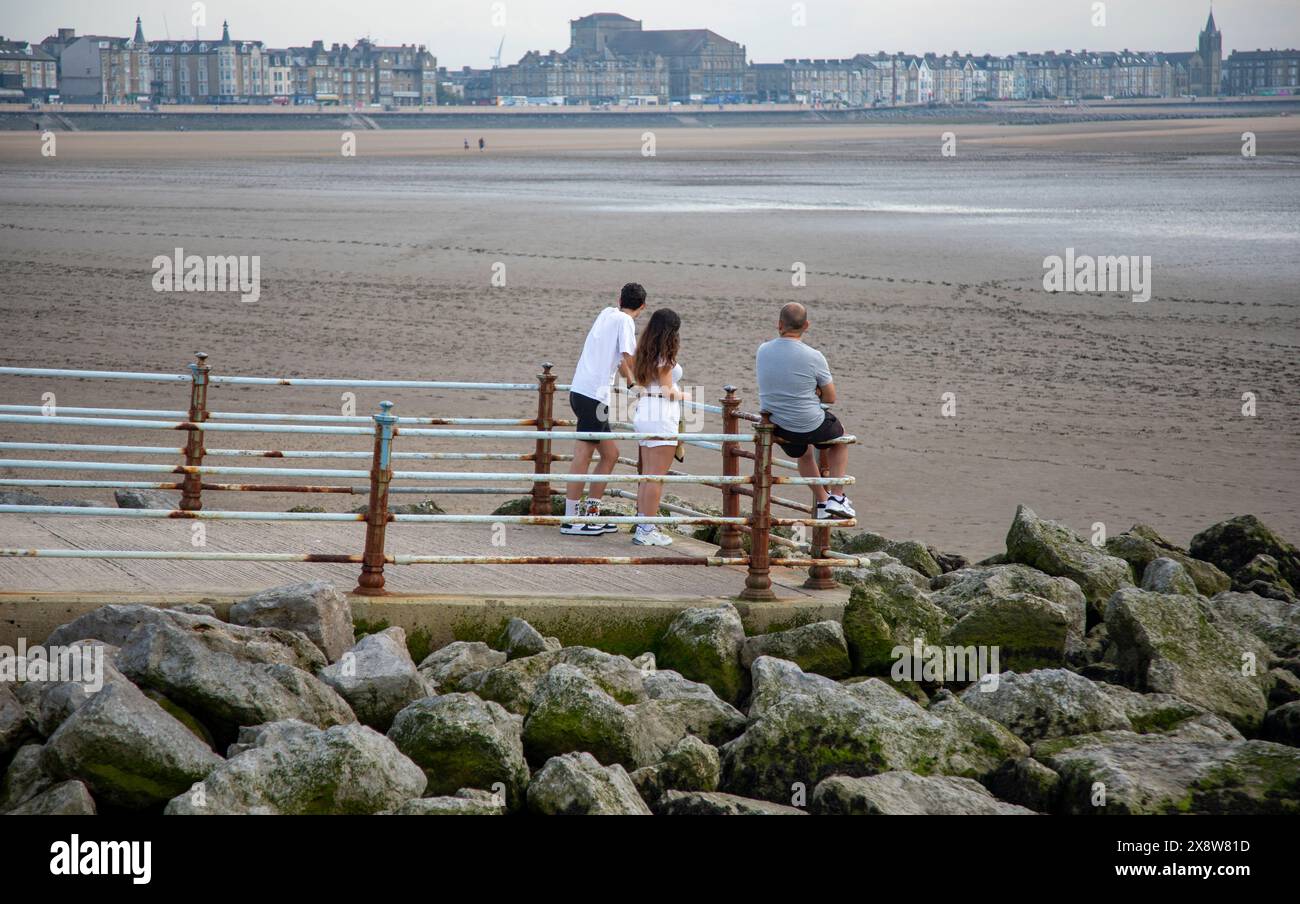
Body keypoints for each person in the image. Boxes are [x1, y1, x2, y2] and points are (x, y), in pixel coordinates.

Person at [755, 302, 855, 519]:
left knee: (805, 453)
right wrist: (817, 392)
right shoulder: (814, 356)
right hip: (809, 423)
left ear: (779, 324)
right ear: (806, 325)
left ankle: (821, 502)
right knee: (841, 438)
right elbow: (831, 398)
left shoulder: (762, 350)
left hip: (778, 426)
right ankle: (837, 497)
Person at [562, 283, 647, 535]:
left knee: (610, 454)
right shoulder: (626, 322)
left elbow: (620, 360)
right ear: (642, 307)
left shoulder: (606, 313)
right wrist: (643, 381)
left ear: (619, 298)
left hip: (582, 392)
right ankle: (571, 519)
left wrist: (632, 385)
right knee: (583, 455)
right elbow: (627, 356)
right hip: (593, 396)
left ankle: (591, 512)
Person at [630, 309, 685, 547]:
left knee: (646, 475)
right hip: (661, 416)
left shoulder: (644, 353)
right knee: (655, 477)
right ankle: (647, 529)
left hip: (644, 412)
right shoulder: (665, 357)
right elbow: (667, 391)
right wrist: (683, 394)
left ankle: (643, 523)